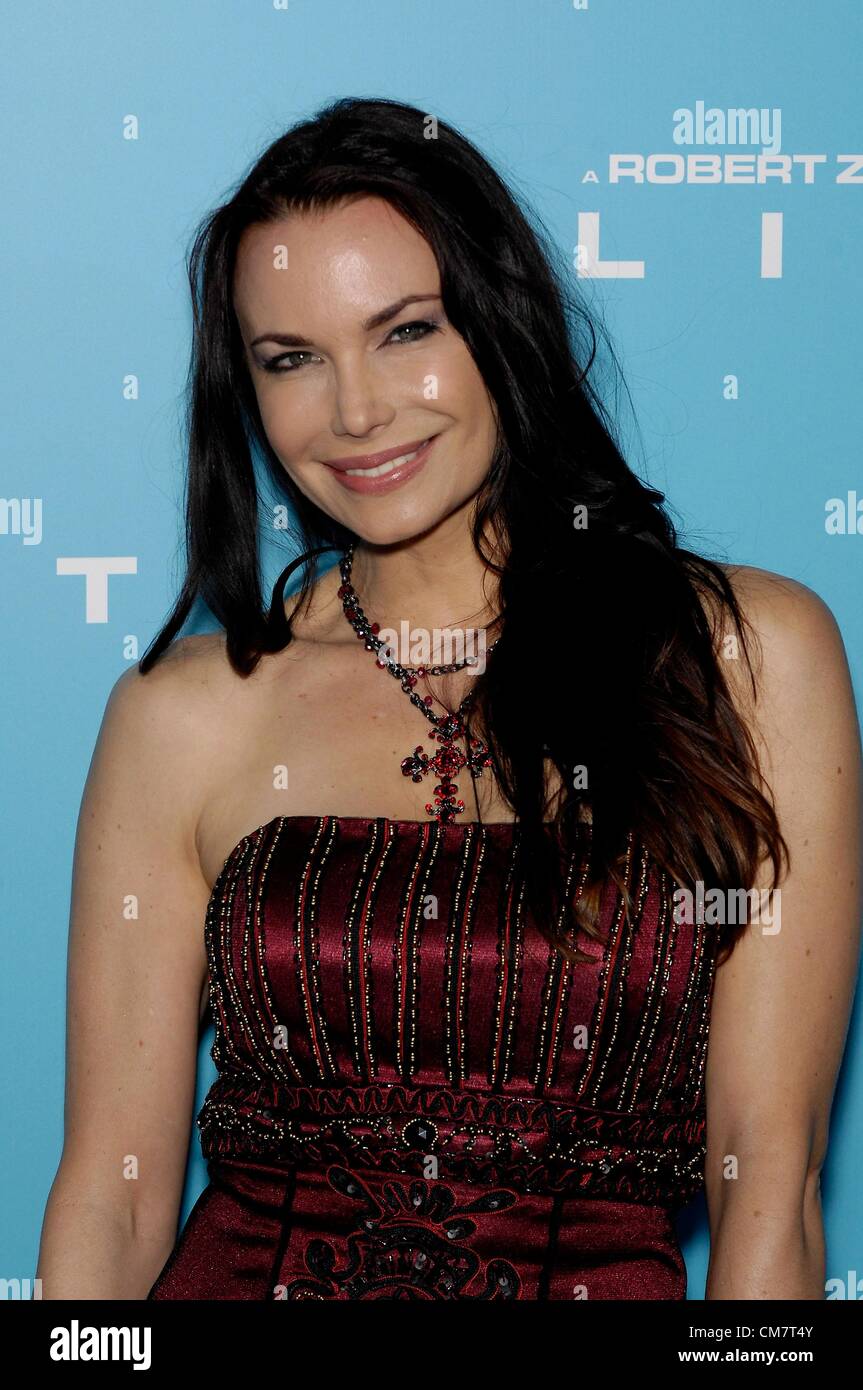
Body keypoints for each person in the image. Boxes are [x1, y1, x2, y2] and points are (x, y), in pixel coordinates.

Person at [36, 97, 861, 1301]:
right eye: (291, 360)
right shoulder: (184, 711)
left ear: (502, 323)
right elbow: (108, 1205)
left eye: (405, 330)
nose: (356, 411)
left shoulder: (745, 658)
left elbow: (767, 1186)